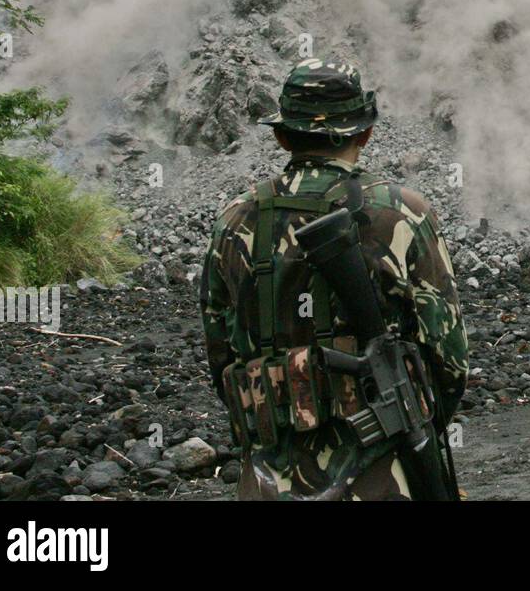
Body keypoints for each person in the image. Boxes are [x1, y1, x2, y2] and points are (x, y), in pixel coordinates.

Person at [200, 58, 467, 500]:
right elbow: (449, 358)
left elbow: (220, 356)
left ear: (282, 135)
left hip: (269, 474)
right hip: (384, 469)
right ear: (365, 133)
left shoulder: (232, 221)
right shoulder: (403, 212)